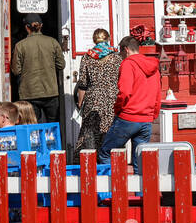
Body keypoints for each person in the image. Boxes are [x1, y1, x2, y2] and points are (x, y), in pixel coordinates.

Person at [99, 35, 161, 171]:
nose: (120, 56)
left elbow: (125, 92)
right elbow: (157, 94)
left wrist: (117, 108)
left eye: (121, 53)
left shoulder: (128, 64)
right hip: (146, 119)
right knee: (139, 160)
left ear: (126, 50)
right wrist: (153, 114)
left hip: (128, 117)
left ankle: (111, 191)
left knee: (106, 153)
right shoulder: (154, 67)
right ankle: (141, 192)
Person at [75, 28, 121, 156]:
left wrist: (80, 102)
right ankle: (111, 159)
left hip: (93, 98)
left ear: (94, 40)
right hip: (113, 98)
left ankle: (91, 160)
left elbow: (83, 83)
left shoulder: (87, 57)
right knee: (110, 130)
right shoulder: (116, 57)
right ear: (108, 39)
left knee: (90, 132)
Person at [11, 13, 64, 123]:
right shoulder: (52, 42)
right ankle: (53, 141)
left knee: (33, 125)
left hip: (29, 92)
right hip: (50, 91)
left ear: (26, 27)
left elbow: (16, 70)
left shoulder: (20, 45)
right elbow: (61, 65)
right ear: (41, 26)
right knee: (52, 125)